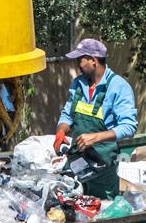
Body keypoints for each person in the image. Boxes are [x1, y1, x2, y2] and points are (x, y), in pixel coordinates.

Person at [54, 38, 137, 199]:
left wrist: (96, 137)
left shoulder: (118, 87)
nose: (77, 64)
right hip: (77, 164)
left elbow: (129, 127)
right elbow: (67, 115)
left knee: (102, 212)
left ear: (93, 60)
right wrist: (61, 131)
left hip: (103, 169)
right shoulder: (78, 84)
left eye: (80, 60)